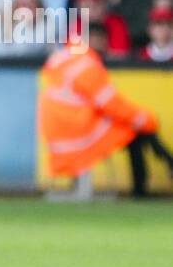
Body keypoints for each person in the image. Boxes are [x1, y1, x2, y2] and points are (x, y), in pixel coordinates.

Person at [39, 21, 173, 198]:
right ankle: (148, 182)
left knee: (135, 129)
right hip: (76, 129)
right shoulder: (86, 64)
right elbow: (112, 105)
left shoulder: (66, 56)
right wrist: (145, 119)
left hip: (60, 126)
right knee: (137, 128)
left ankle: (161, 167)